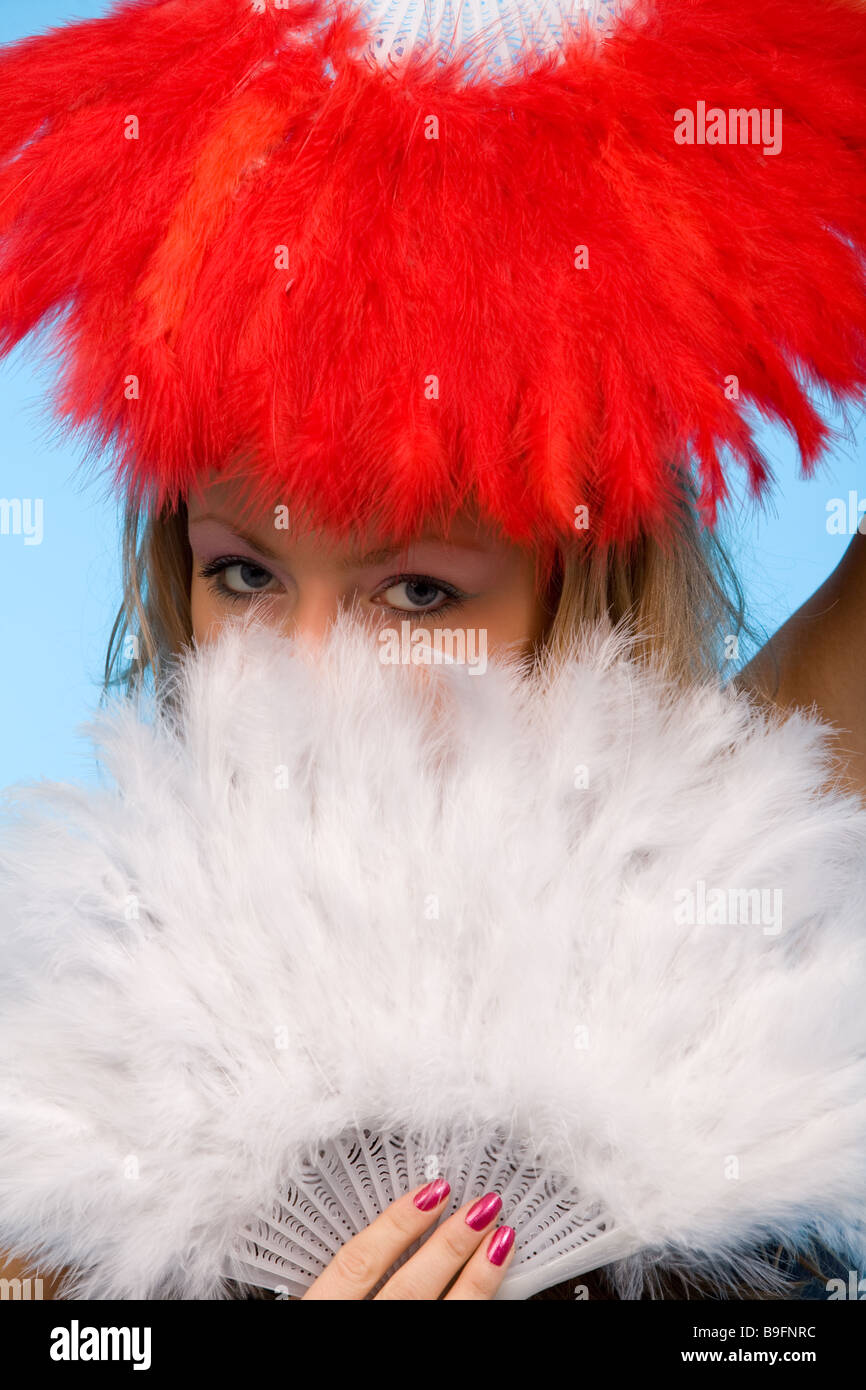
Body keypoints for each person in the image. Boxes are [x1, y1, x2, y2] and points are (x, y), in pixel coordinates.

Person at [0, 0, 865, 1301]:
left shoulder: (732, 916)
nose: (300, 668)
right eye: (244, 571)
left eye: (412, 591)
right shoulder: (50, 1080)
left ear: (582, 596)